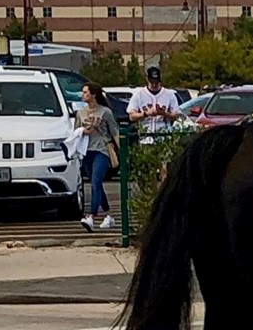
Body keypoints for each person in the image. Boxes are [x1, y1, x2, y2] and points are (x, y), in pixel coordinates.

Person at [75, 82, 121, 230]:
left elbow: (114, 131)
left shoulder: (105, 112)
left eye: (86, 92)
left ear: (93, 94)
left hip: (102, 149)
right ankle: (108, 215)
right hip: (86, 150)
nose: (83, 95)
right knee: (97, 185)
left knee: (95, 181)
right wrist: (83, 131)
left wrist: (121, 149)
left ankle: (91, 217)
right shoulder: (80, 113)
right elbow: (75, 131)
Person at [127, 66, 182, 137]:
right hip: (145, 136)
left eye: (156, 81)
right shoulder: (139, 94)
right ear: (147, 79)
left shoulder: (169, 94)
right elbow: (131, 116)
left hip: (164, 137)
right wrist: (145, 114)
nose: (154, 84)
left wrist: (164, 113)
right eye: (152, 81)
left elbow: (176, 116)